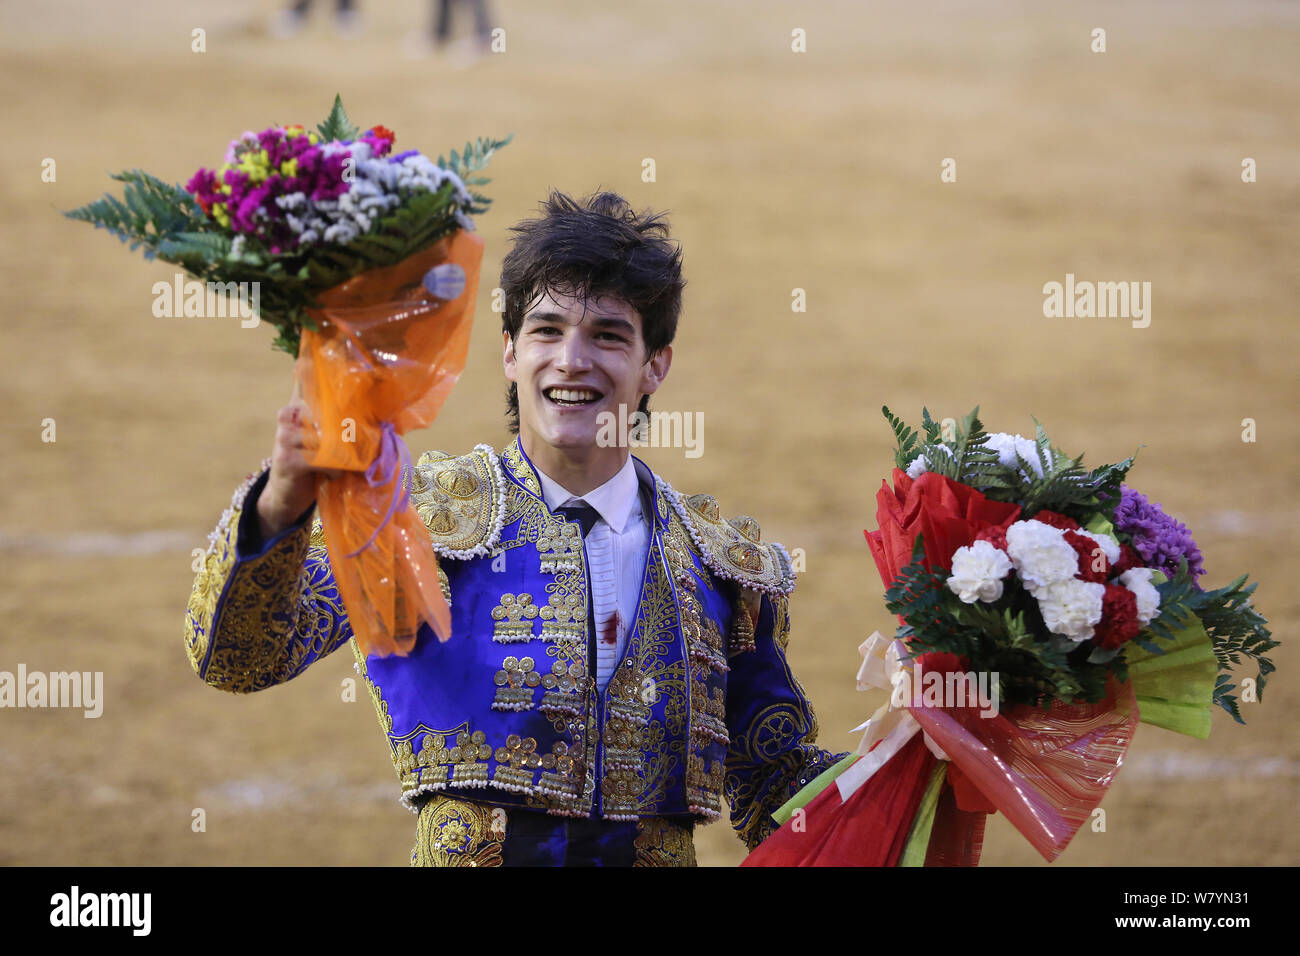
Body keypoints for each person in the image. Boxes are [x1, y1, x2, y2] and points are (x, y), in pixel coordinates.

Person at [183, 189, 848, 866]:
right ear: (509, 353)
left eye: (608, 335)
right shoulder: (421, 521)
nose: (571, 360)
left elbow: (776, 786)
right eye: (547, 330)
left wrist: (921, 736)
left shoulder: (719, 567)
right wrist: (281, 503)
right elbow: (241, 657)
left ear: (656, 366)